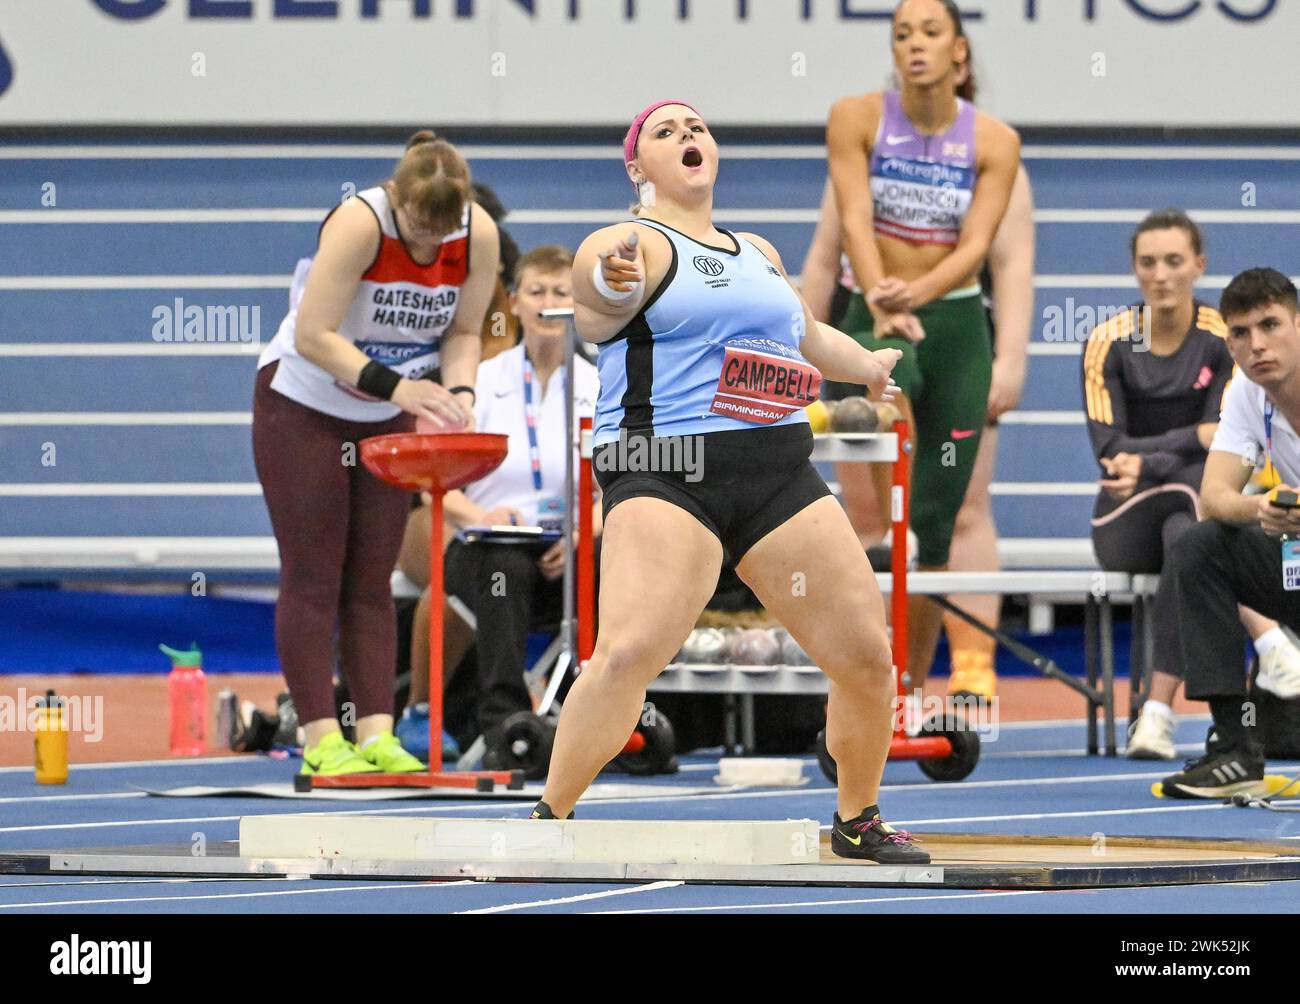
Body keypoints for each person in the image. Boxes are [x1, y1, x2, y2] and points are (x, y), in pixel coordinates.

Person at [528, 98, 926, 865]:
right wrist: (612, 282)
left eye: (697, 127)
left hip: (775, 472)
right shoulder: (626, 241)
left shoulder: (758, 252)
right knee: (630, 650)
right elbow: (595, 301)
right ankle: (550, 816)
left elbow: (806, 336)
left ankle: (856, 820)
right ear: (637, 166)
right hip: (666, 469)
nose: (688, 137)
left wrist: (867, 366)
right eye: (666, 131)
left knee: (868, 658)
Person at [252, 129, 499, 776]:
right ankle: (318, 738)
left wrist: (461, 391)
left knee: (373, 578)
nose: (424, 246)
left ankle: (377, 733)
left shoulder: (477, 235)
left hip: (382, 411)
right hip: (302, 405)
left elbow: (467, 329)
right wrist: (404, 388)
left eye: (436, 237)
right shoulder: (361, 222)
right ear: (397, 197)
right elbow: (313, 334)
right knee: (314, 573)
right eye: (416, 229)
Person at [802, 38, 1034, 703]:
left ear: (960, 66)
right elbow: (826, 256)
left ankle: (970, 667)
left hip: (956, 333)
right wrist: (800, 347)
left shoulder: (995, 155)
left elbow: (1010, 264)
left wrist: (1011, 359)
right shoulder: (864, 149)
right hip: (870, 328)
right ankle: (872, 675)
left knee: (958, 513)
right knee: (870, 517)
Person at [1083, 213, 1300, 760]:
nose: (1161, 276)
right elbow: (1112, 452)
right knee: (1194, 512)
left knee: (1190, 533)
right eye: (1148, 263)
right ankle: (1265, 655)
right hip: (1123, 517)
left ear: (1198, 265)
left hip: (1188, 515)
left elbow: (1211, 443)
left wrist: (1149, 456)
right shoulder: (1109, 342)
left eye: (1174, 261)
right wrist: (1178, 456)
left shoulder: (1219, 340)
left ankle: (1157, 713)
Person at [394, 245, 602, 759]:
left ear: (577, 306)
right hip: (485, 546)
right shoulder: (481, 384)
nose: (548, 303)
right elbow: (433, 483)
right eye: (537, 292)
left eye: (561, 293)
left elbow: (620, 490)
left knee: (623, 556)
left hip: (567, 553)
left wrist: (583, 533)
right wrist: (481, 516)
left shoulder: (598, 385)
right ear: (514, 303)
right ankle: (504, 722)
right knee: (505, 567)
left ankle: (606, 714)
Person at [1158, 268, 1300, 797]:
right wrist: (1260, 508)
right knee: (1200, 545)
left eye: (1270, 325)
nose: (1257, 344)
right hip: (1294, 557)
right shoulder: (1247, 392)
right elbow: (1215, 497)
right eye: (1241, 333)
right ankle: (1236, 750)